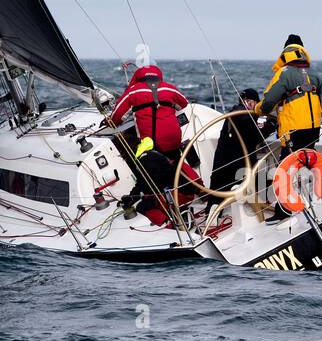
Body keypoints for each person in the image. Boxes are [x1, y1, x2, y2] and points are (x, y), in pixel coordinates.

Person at [108, 64, 200, 226]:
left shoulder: (133, 91)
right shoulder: (170, 88)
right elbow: (184, 104)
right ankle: (200, 189)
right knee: (176, 162)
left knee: (153, 172)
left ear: (138, 78)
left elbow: (115, 118)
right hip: (173, 138)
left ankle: (167, 217)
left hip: (153, 142)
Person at [255, 40, 322, 155]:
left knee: (287, 168)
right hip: (314, 131)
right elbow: (320, 105)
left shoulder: (284, 73)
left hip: (293, 133)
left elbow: (269, 103)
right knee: (306, 164)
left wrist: (257, 110)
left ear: (285, 52)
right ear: (302, 51)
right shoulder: (315, 74)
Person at [207, 88, 274, 193]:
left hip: (221, 170)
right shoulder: (246, 117)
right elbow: (257, 136)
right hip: (237, 170)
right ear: (251, 102)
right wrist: (272, 125)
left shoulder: (233, 113)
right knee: (264, 181)